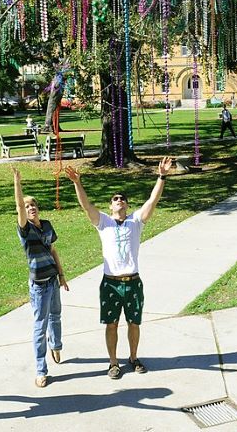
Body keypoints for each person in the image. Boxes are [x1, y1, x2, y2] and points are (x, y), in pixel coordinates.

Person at [64, 156, 174, 380]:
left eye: (123, 199)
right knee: (111, 324)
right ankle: (113, 363)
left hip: (133, 282)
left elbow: (152, 202)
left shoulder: (136, 222)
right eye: (115, 199)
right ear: (110, 205)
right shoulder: (103, 222)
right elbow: (86, 206)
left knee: (134, 323)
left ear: (127, 205)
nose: (119, 200)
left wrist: (161, 176)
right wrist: (77, 182)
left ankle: (133, 358)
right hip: (110, 284)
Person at [11, 166, 69, 388]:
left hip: (53, 281)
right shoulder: (24, 230)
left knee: (56, 316)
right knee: (39, 326)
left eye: (33, 205)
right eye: (27, 207)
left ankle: (56, 344)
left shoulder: (46, 226)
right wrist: (18, 182)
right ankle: (40, 369)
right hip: (39, 286)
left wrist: (62, 276)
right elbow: (18, 206)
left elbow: (53, 251)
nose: (30, 208)